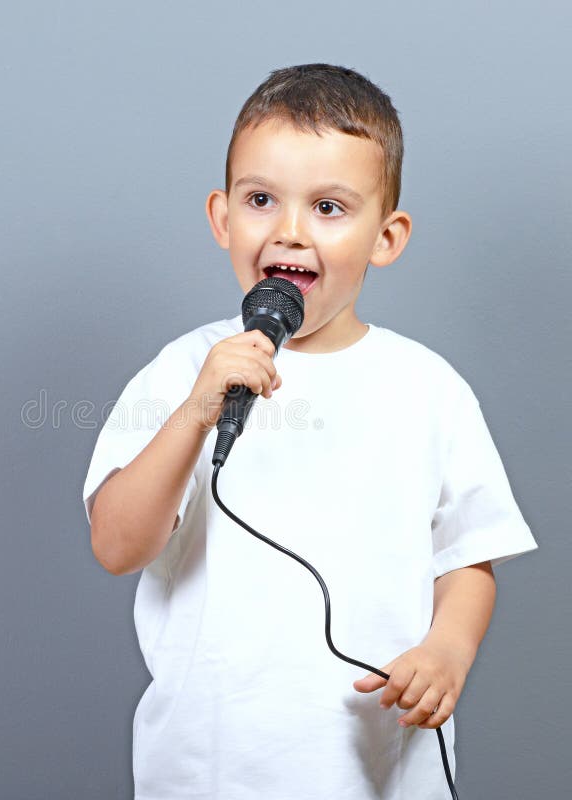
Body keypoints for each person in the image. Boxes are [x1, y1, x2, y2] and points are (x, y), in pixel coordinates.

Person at [82, 64, 538, 799]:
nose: (289, 230)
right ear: (223, 218)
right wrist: (198, 408)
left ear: (386, 237)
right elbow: (117, 544)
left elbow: (467, 553)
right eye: (261, 199)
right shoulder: (184, 371)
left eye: (329, 207)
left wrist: (448, 653)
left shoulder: (427, 387)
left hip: (379, 764)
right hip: (210, 766)